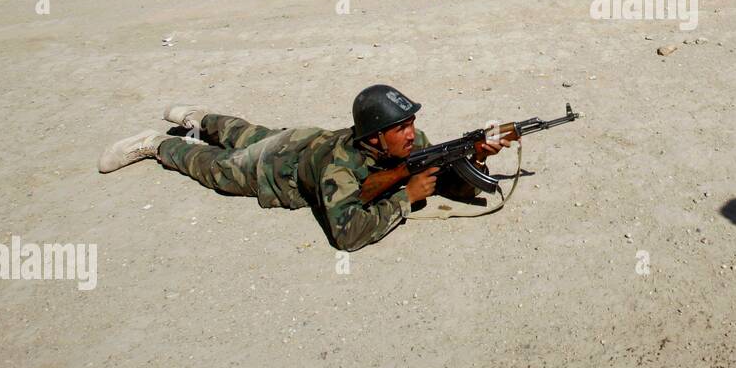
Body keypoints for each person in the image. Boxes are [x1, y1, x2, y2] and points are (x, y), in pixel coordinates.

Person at [96, 87, 511, 251]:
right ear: (373, 137)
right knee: (216, 166)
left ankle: (200, 118)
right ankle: (157, 143)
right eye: (400, 127)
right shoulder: (340, 171)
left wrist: (479, 156)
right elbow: (347, 235)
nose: (412, 134)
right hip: (278, 167)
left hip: (301, 137)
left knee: (243, 131)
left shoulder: (411, 146)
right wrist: (407, 197)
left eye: (411, 123)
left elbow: (451, 186)